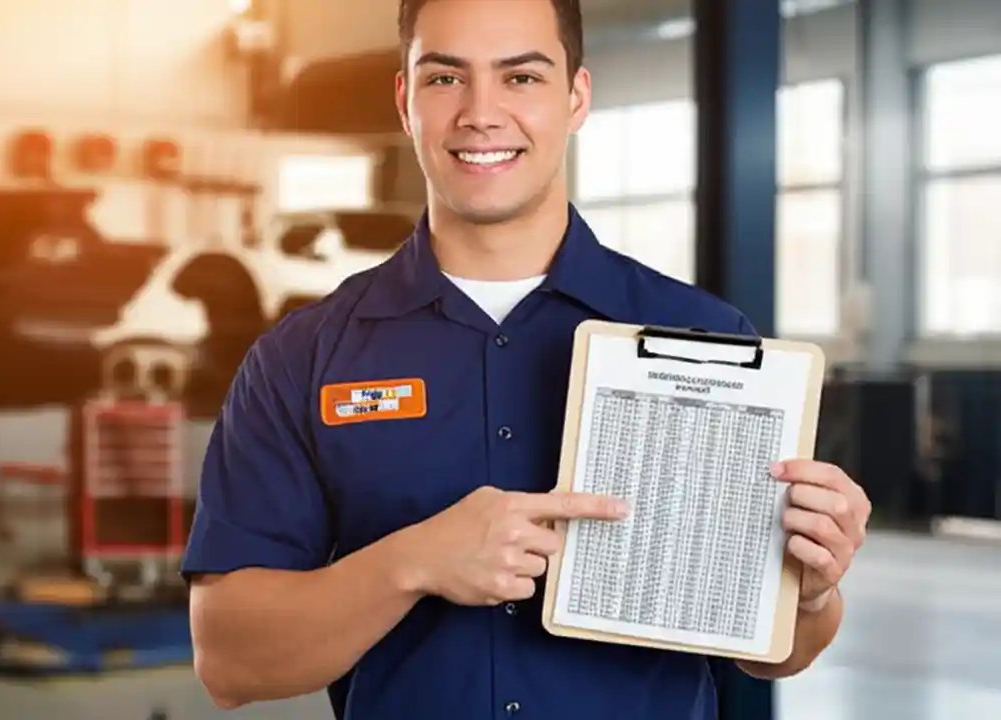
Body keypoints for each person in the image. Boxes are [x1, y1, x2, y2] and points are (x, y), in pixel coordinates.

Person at [181, 0, 873, 717]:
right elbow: (230, 661)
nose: (481, 114)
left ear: (576, 97)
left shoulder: (707, 339)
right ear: (405, 100)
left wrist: (812, 590)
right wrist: (412, 562)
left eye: (521, 78)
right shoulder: (303, 359)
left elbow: (776, 651)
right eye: (446, 78)